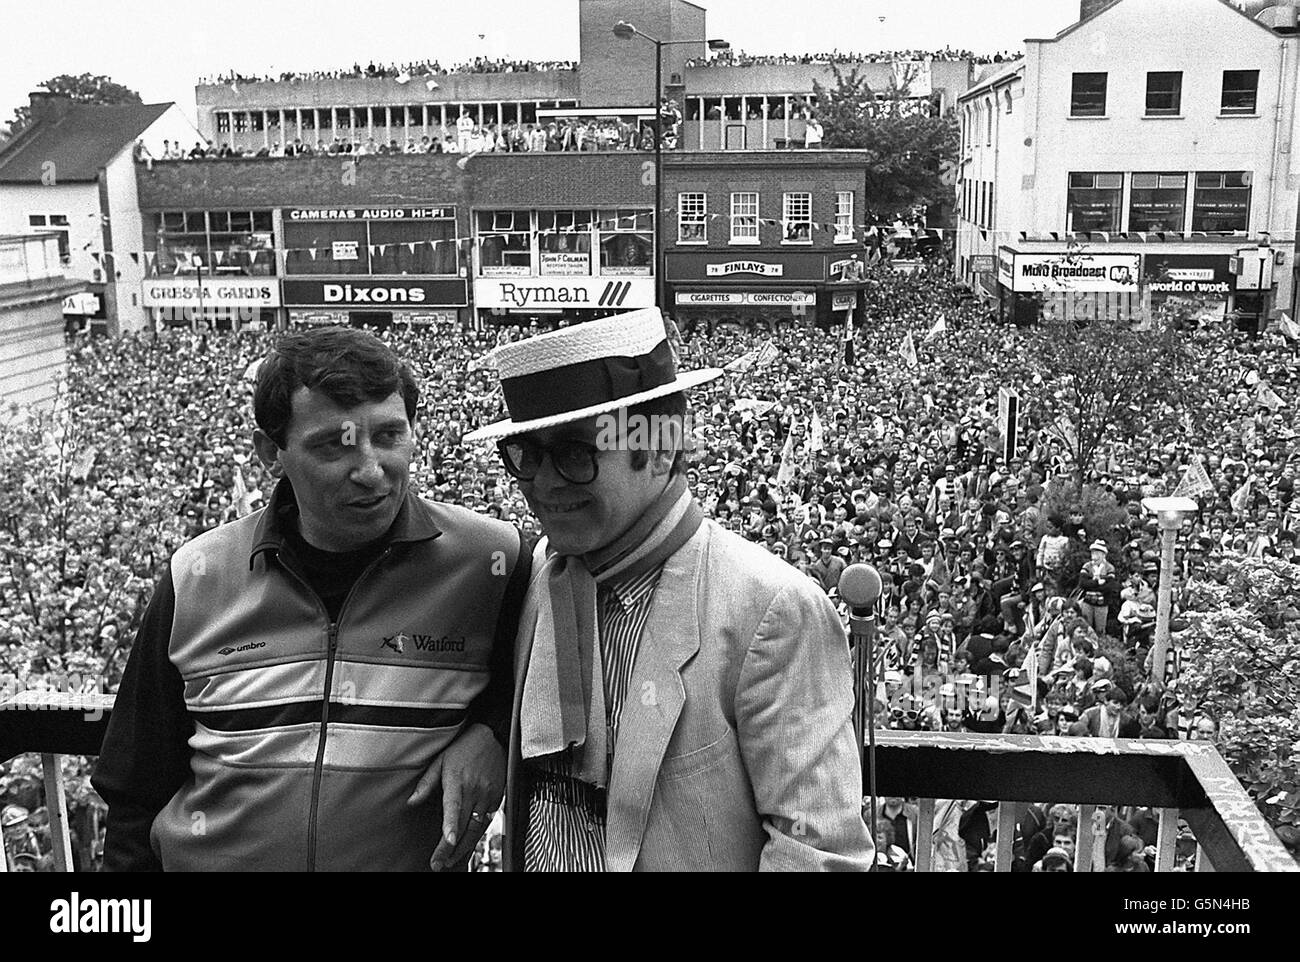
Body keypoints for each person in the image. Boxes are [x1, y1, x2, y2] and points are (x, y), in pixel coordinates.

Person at [92, 327, 532, 871]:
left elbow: (569, 663)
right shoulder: (197, 577)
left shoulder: (494, 561)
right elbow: (136, 791)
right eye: (332, 445)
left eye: (391, 436)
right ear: (270, 453)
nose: (371, 470)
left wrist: (493, 728)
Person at [464, 307, 873, 871]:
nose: (544, 483)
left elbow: (818, 850)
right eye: (527, 455)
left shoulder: (769, 610)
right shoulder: (539, 574)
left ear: (658, 446)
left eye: (575, 453)